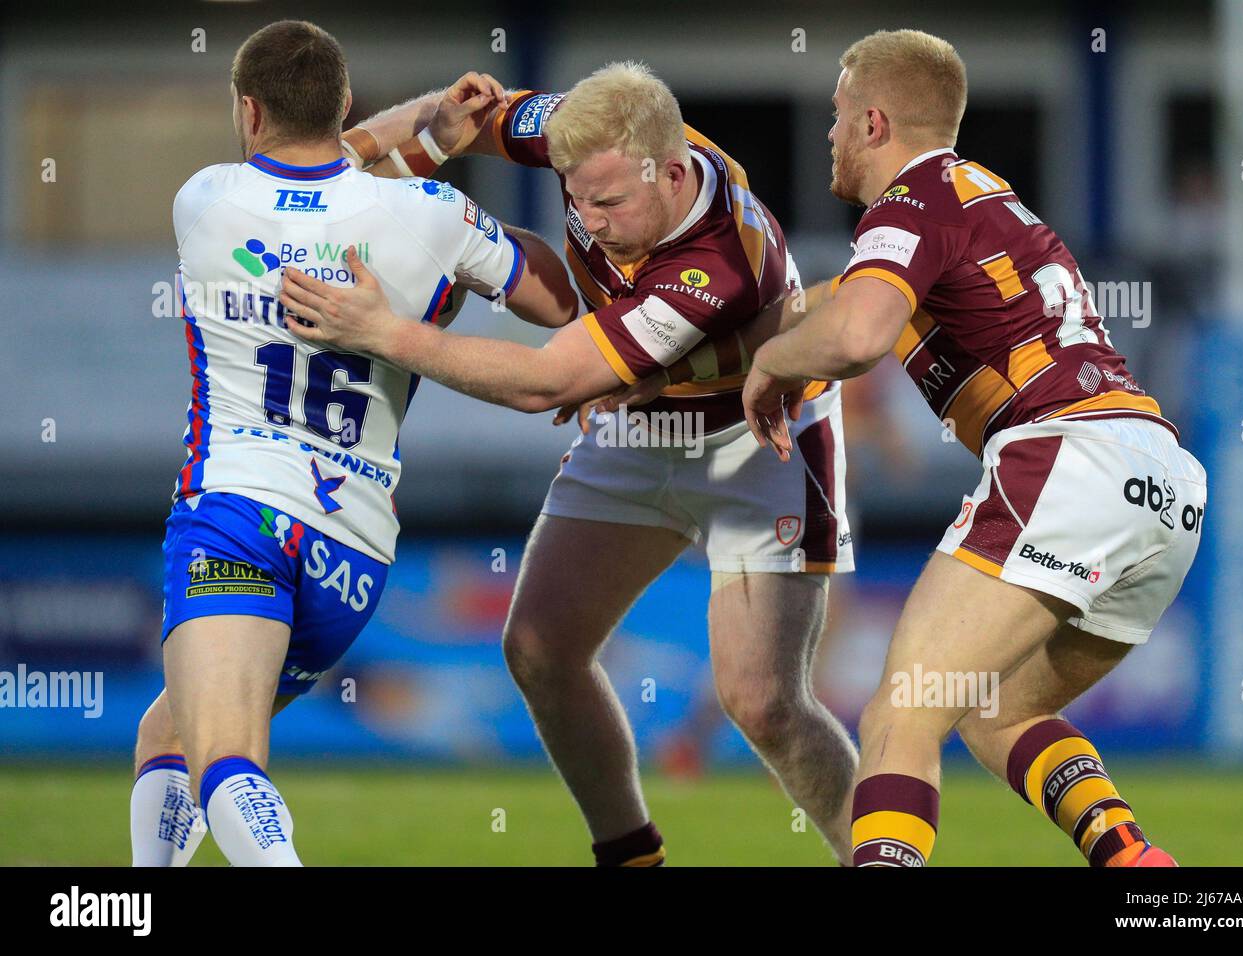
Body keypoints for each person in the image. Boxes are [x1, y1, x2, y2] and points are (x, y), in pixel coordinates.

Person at [280, 61, 860, 865]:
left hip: (758, 442)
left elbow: (546, 385)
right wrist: (345, 157)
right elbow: (468, 113)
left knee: (763, 704)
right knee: (540, 650)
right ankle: (632, 857)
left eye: (610, 202)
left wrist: (384, 333)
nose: (589, 219)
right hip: (637, 425)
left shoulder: (718, 264)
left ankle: (880, 861)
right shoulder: (586, 131)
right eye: (574, 196)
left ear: (671, 169)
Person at [740, 29, 1206, 867]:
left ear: (875, 123)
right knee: (995, 713)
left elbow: (855, 335)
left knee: (900, 715)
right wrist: (686, 342)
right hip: (1162, 483)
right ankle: (1141, 867)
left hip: (1069, 455)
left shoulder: (911, 202)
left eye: (840, 116)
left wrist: (771, 366)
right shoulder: (967, 198)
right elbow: (830, 305)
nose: (830, 136)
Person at [131, 20, 575, 866]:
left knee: (223, 755)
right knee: (173, 725)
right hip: (352, 551)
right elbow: (554, 304)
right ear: (339, 102)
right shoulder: (433, 219)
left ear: (248, 111)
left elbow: (327, 174)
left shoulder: (206, 199)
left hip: (238, 513)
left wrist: (425, 133)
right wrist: (464, 191)